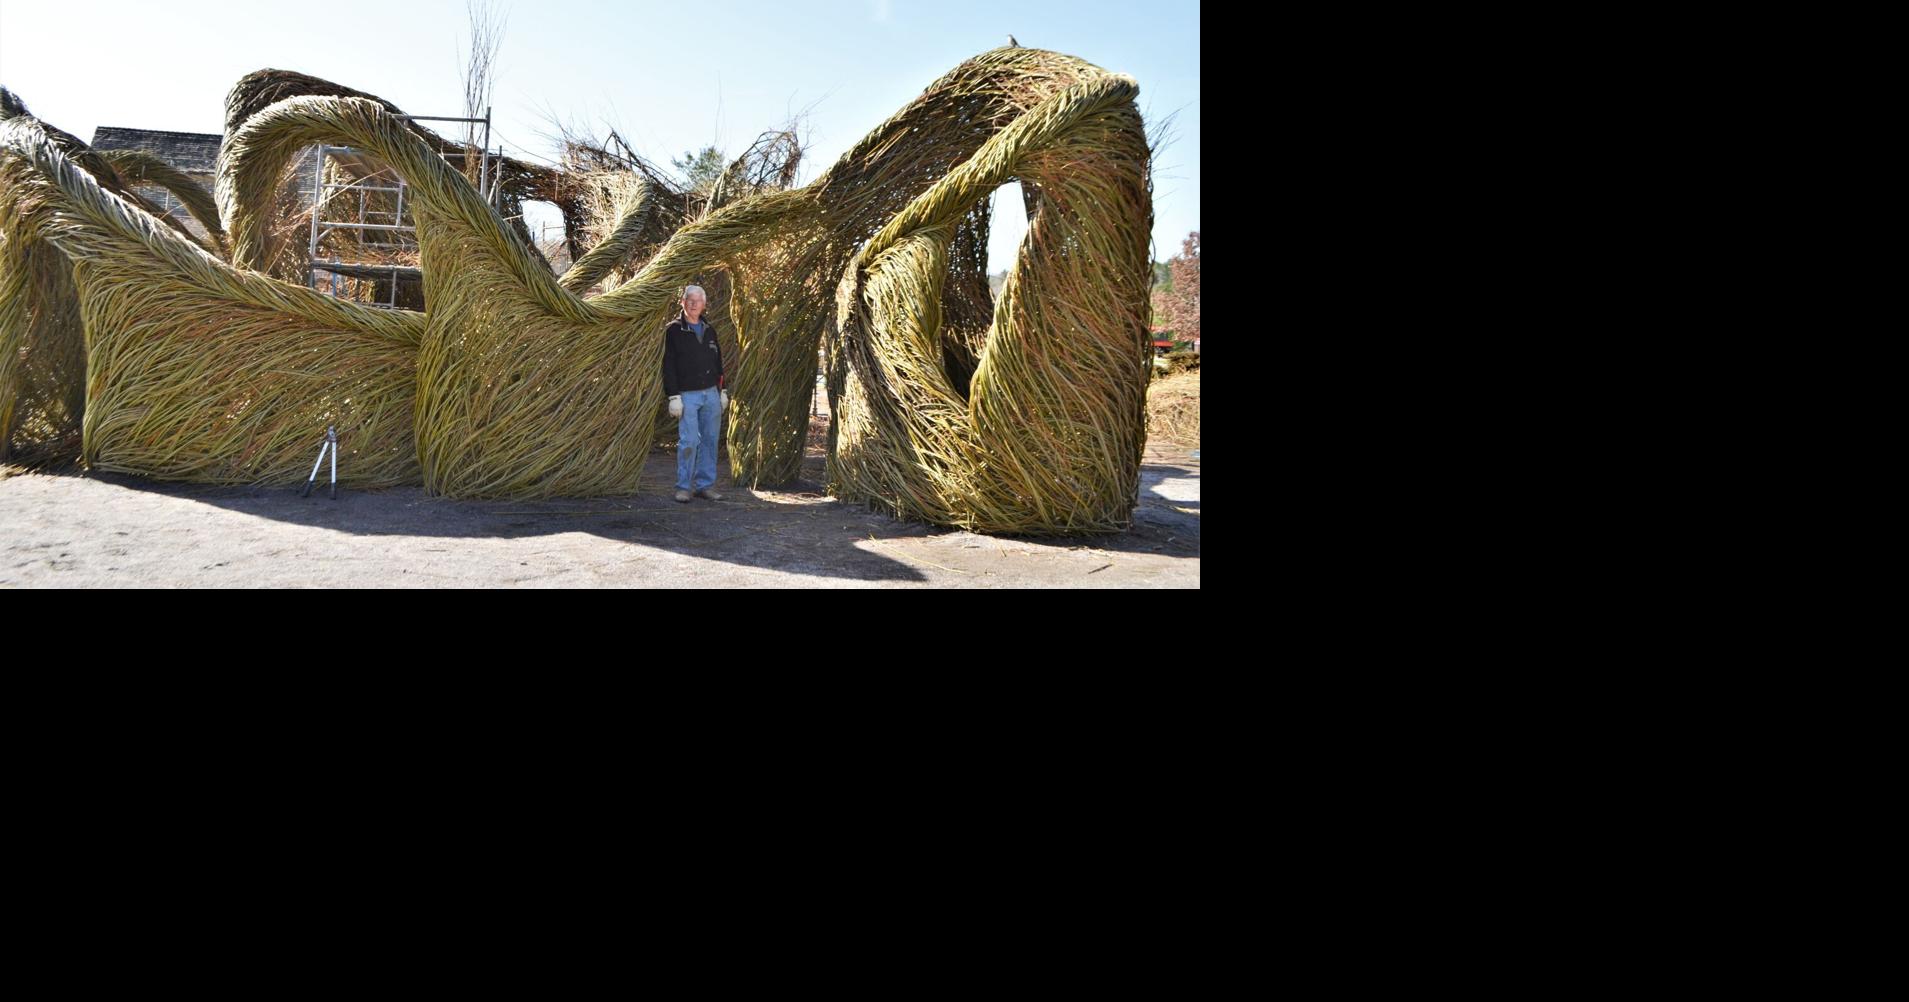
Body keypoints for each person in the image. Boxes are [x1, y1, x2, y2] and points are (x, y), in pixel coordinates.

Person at [661, 285, 730, 502]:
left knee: (710, 440)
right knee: (689, 441)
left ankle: (705, 485)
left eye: (698, 301)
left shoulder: (709, 329)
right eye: (689, 300)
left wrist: (722, 390)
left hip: (711, 393)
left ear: (704, 304)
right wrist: (673, 396)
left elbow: (717, 361)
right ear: (682, 302)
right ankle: (683, 487)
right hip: (687, 395)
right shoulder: (673, 330)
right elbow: (668, 364)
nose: (693, 304)